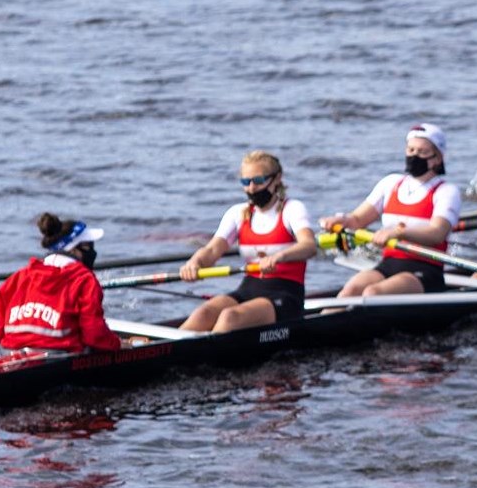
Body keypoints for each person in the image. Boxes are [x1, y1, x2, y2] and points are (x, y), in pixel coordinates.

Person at [178, 151, 323, 332]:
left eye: (258, 181)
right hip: (248, 290)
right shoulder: (237, 213)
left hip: (285, 295)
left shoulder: (292, 209)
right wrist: (195, 263)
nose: (251, 188)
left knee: (229, 316)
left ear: (277, 178)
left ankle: (201, 356)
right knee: (203, 313)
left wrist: (280, 256)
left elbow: (309, 246)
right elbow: (212, 250)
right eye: (246, 182)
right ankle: (163, 353)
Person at [325, 123, 462, 296]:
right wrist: (342, 221)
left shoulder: (446, 191)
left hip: (426, 270)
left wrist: (399, 233)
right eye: (411, 150)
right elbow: (357, 220)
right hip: (389, 264)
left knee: (372, 293)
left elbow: (437, 233)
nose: (414, 156)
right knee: (350, 290)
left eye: (422, 152)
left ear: (437, 158)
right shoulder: (390, 183)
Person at [0, 213, 121, 353]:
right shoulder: (84, 280)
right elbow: (94, 334)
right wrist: (118, 344)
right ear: (72, 249)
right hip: (62, 362)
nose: (92, 251)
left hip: (17, 355)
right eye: (88, 246)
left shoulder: (16, 279)